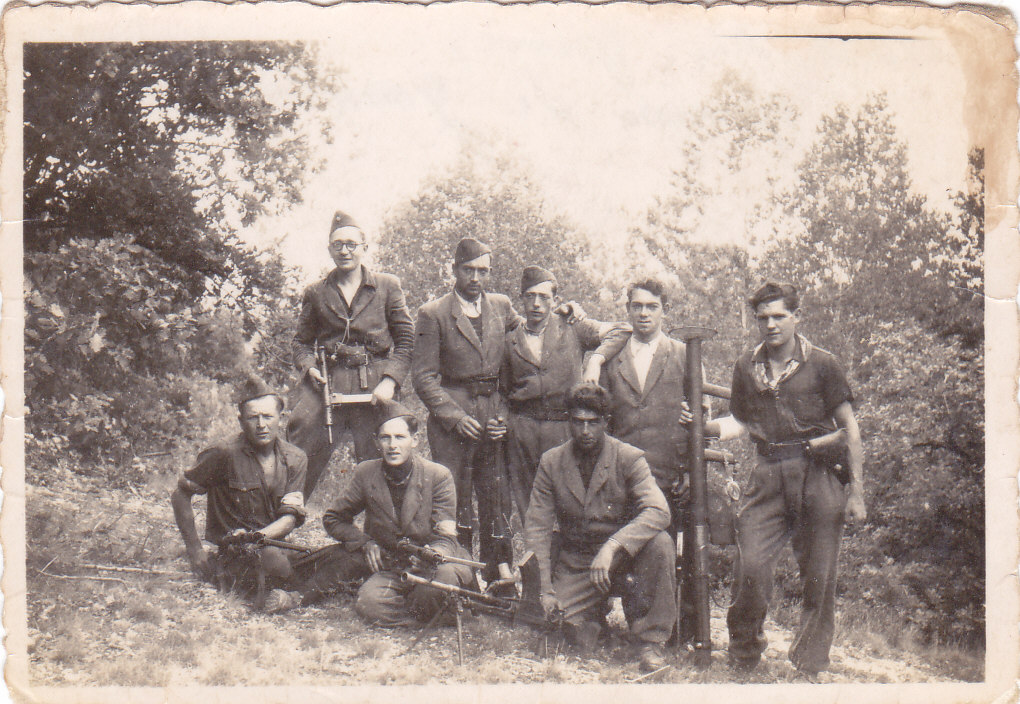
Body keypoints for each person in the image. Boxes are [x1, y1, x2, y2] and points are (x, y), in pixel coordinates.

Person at [722, 282, 866, 675]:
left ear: (795, 316)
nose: (770, 324)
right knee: (751, 565)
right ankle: (744, 655)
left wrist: (856, 493)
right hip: (768, 474)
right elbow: (739, 421)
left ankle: (809, 664)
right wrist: (703, 427)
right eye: (762, 317)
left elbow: (850, 428)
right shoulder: (745, 366)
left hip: (817, 474)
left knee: (819, 577)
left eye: (779, 316)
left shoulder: (823, 363)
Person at [524, 382, 676, 673]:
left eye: (593, 422)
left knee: (661, 543)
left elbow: (659, 510)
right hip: (578, 562)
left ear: (606, 422)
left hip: (625, 558)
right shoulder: (551, 462)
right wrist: (544, 590)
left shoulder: (629, 457)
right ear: (569, 421)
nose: (585, 431)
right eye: (578, 422)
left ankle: (650, 641)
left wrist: (613, 546)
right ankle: (594, 618)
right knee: (556, 627)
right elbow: (537, 529)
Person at [170, 375, 349, 611]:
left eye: (268, 416)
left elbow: (289, 518)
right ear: (241, 421)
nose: (261, 425)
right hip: (236, 556)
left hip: (275, 547)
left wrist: (257, 537)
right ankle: (306, 591)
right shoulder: (223, 453)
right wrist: (195, 550)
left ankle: (293, 593)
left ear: (280, 418)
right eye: (253, 417)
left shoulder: (296, 458)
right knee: (275, 562)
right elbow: (181, 494)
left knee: (349, 555)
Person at [598, 278, 704, 641]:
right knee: (626, 547)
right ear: (627, 310)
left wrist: (690, 470)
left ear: (664, 310)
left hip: (666, 474)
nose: (644, 314)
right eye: (637, 306)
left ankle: (668, 631)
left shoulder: (684, 355)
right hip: (620, 475)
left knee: (662, 547)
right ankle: (633, 623)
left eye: (652, 306)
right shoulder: (612, 357)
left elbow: (700, 417)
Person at [286, 210, 415, 497]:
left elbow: (407, 340)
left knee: (388, 447)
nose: (344, 251)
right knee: (301, 433)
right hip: (330, 380)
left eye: (351, 245)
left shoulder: (387, 286)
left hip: (376, 380)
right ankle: (286, 511)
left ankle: (388, 519)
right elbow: (301, 343)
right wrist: (310, 368)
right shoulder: (316, 292)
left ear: (364, 248)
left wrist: (390, 381)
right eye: (338, 245)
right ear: (329, 249)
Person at [411, 237, 521, 571]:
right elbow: (423, 377)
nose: (475, 278)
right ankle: (457, 571)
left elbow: (528, 338)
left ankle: (498, 573)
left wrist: (504, 414)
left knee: (496, 496)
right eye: (468, 270)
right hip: (453, 418)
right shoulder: (433, 313)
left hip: (494, 414)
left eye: (483, 271)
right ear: (454, 269)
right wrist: (454, 418)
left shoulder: (501, 306)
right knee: (453, 496)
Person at [320, 400, 475, 627]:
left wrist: (431, 555)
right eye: (386, 438)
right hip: (393, 566)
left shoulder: (438, 475)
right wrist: (365, 543)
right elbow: (333, 518)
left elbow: (447, 536)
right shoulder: (366, 472)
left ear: (415, 440)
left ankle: (427, 607)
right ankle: (428, 616)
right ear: (376, 441)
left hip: (435, 564)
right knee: (369, 604)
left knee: (438, 585)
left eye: (400, 437)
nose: (393, 445)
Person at [501, 265, 629, 515]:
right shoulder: (510, 339)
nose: (536, 304)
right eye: (530, 296)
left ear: (556, 300)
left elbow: (622, 330)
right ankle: (533, 541)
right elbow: (504, 390)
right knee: (528, 501)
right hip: (523, 430)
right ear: (521, 299)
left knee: (568, 496)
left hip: (563, 427)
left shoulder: (572, 327)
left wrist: (595, 360)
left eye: (544, 297)